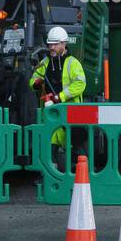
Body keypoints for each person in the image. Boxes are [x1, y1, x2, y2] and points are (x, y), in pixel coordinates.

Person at [30, 27, 86, 163]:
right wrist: (36, 83)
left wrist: (60, 96)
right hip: (50, 113)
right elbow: (33, 80)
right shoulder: (44, 63)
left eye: (55, 44)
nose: (52, 47)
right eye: (50, 44)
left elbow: (80, 84)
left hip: (70, 113)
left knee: (76, 147)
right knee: (49, 146)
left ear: (64, 44)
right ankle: (49, 177)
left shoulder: (73, 63)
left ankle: (84, 175)